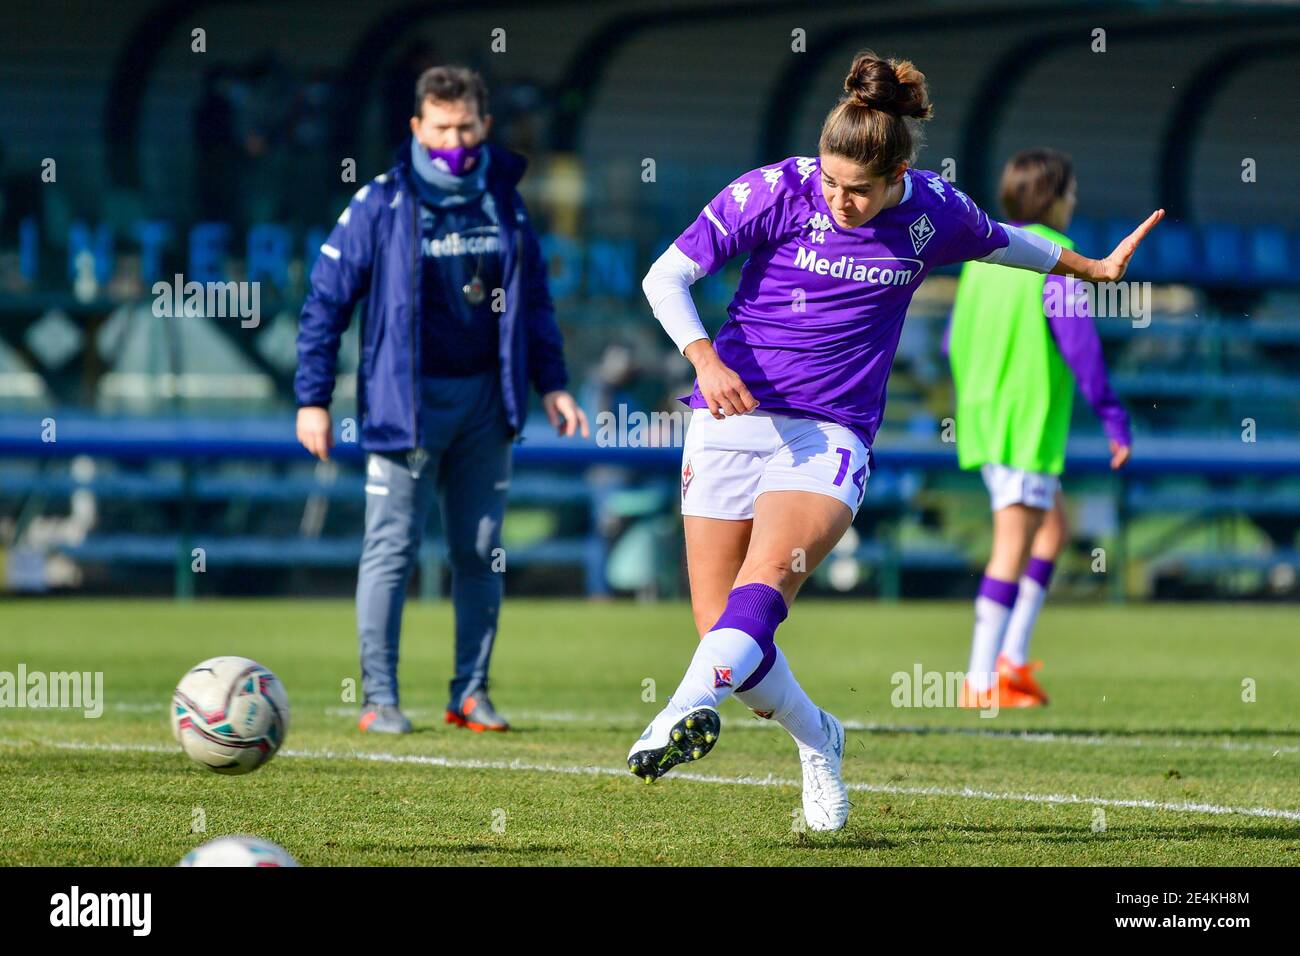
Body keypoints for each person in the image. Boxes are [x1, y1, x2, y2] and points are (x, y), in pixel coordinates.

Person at [634, 51, 1161, 831]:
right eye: (831, 183)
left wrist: (1091, 267)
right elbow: (663, 278)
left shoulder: (933, 213)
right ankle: (822, 740)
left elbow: (1010, 241)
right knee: (723, 637)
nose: (840, 201)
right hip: (731, 416)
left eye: (859, 190)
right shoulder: (774, 189)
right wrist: (703, 358)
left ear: (899, 175)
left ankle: (678, 712)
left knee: (768, 583)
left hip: (831, 435)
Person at [295, 65, 588, 735]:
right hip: (407, 406)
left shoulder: (504, 198)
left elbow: (535, 300)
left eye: (464, 127)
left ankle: (470, 694)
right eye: (440, 127)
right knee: (392, 550)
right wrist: (313, 398)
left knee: (481, 550)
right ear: (416, 128)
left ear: (484, 126)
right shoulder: (380, 203)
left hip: (489, 400)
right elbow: (325, 303)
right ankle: (379, 699)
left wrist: (555, 383)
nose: (453, 139)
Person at [949, 148, 1132, 709]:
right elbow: (1077, 339)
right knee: (1014, 543)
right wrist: (1111, 413)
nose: (1074, 202)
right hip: (1023, 420)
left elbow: (950, 339)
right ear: (1052, 197)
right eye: (1071, 192)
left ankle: (1013, 661)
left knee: (1053, 529)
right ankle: (982, 680)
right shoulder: (1058, 257)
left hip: (985, 414)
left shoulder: (986, 254)